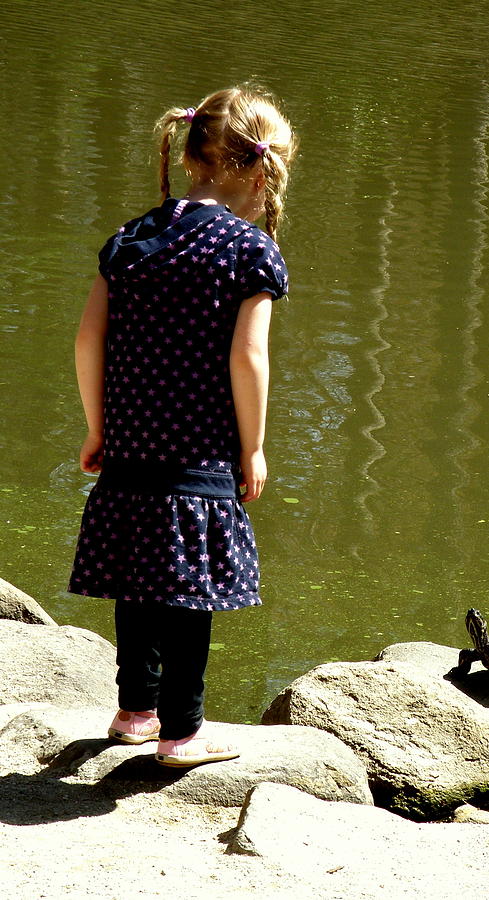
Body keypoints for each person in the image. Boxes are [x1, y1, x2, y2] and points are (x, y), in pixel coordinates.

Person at [68, 86, 297, 767]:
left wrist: (96, 426)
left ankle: (134, 710)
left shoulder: (131, 239)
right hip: (200, 450)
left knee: (141, 577)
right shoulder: (250, 250)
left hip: (132, 440)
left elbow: (87, 339)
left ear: (193, 154)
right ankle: (184, 730)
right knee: (188, 590)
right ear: (262, 172)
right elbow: (248, 356)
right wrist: (252, 446)